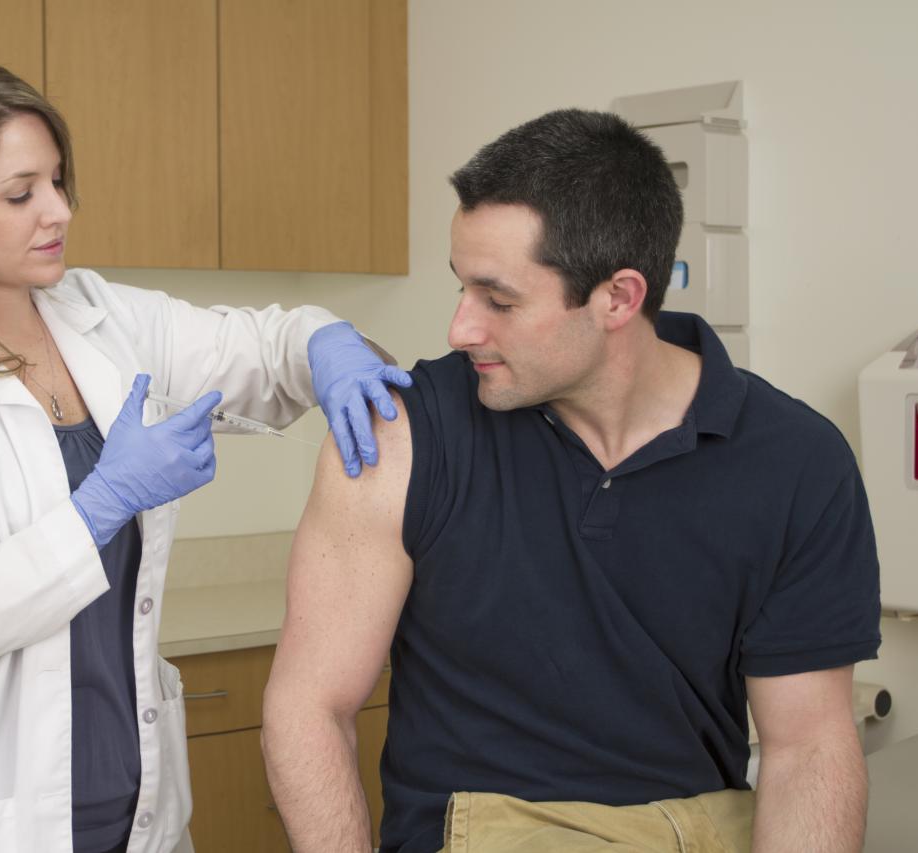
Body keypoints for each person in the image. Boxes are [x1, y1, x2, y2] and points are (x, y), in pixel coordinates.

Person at [0, 57, 409, 853]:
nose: (58, 210)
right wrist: (102, 504)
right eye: (21, 193)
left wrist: (324, 341)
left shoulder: (98, 314)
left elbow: (262, 346)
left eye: (57, 181)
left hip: (135, 801)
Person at [261, 109, 881, 853]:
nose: (460, 329)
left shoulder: (796, 462)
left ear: (617, 298)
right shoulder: (404, 433)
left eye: (500, 299)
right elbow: (309, 706)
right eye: (461, 288)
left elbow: (807, 745)